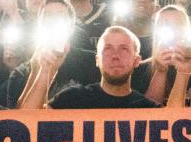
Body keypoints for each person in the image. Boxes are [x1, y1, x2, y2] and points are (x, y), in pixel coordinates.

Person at [23, 25, 157, 109]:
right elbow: (25, 125)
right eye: (108, 49)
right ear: (97, 60)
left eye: (124, 49)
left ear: (137, 60)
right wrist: (46, 70)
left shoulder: (145, 108)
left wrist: (179, 72)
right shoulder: (73, 98)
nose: (115, 56)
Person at [130, 5, 191, 107]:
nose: (171, 29)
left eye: (177, 24)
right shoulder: (138, 70)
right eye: (164, 24)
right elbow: (145, 117)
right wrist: (160, 71)